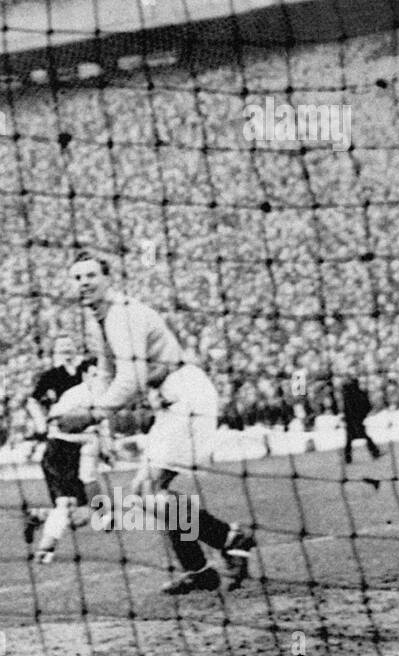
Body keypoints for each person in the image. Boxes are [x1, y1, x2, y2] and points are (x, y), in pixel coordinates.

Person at [49, 253, 255, 594]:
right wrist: (82, 410)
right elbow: (106, 375)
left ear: (107, 278)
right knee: (145, 492)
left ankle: (229, 538)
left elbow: (130, 380)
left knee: (148, 492)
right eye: (77, 277)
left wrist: (92, 415)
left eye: (91, 275)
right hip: (171, 401)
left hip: (185, 396)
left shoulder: (122, 315)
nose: (84, 282)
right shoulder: (100, 320)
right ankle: (199, 570)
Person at [25, 337, 99, 548]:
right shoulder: (51, 376)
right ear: (55, 351)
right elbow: (32, 401)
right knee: (70, 506)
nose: (66, 349)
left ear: (75, 349)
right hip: (61, 443)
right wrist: (41, 424)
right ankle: (45, 546)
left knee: (77, 513)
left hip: (81, 444)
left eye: (69, 345)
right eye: (61, 347)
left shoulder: (87, 373)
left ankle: (38, 516)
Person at [339, 375, 382, 463]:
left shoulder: (347, 395)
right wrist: (363, 416)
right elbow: (367, 406)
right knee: (360, 436)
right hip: (357, 419)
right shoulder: (359, 394)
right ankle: (374, 452)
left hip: (351, 420)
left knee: (351, 439)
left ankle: (348, 457)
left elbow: (347, 409)